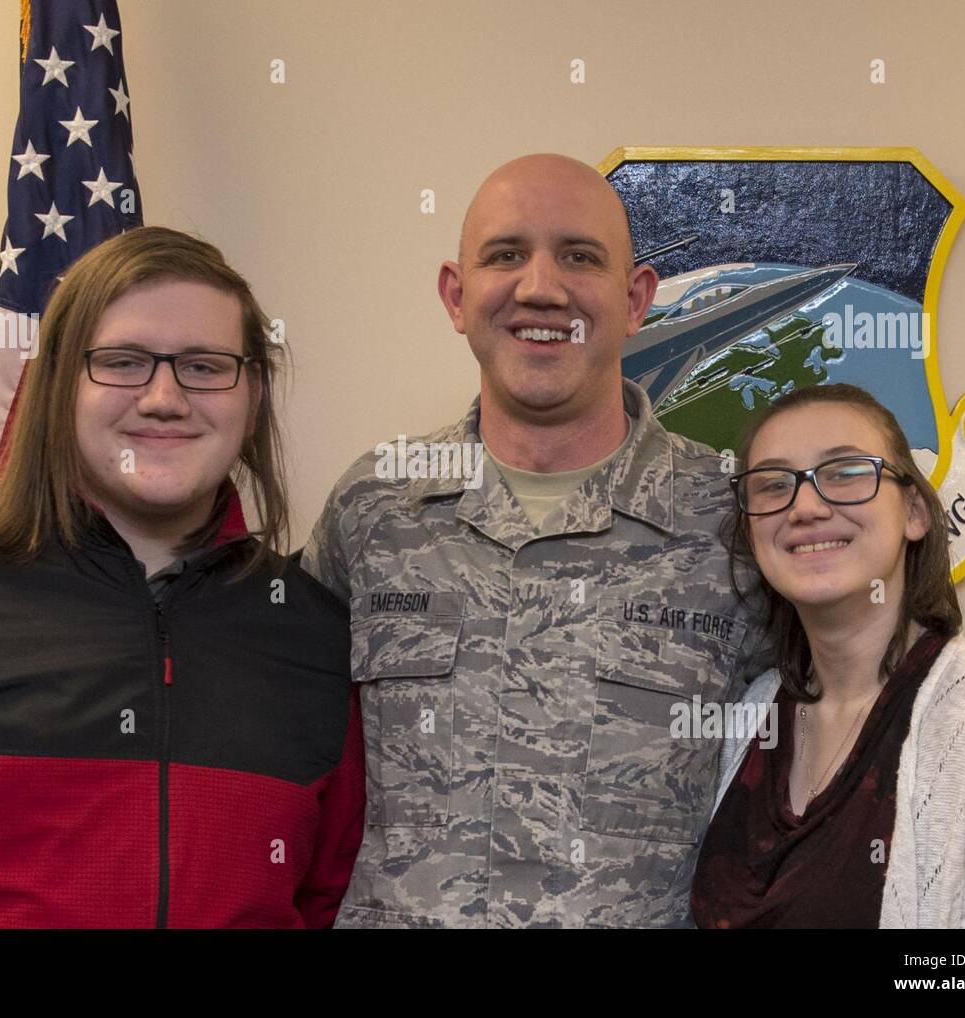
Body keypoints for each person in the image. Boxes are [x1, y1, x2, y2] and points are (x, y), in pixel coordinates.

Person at [0, 226, 364, 928]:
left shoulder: (316, 635)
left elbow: (329, 904)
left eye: (206, 367)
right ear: (58, 384)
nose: (164, 398)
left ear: (255, 392)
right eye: (122, 362)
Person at [301, 153, 769, 927]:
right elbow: (284, 741)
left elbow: (845, 745)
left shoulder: (732, 522)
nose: (541, 286)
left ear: (636, 299)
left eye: (580, 256)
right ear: (457, 295)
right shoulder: (375, 508)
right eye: (505, 254)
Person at [691, 383, 965, 928]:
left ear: (915, 511)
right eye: (773, 485)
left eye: (844, 473)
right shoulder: (754, 710)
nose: (806, 506)